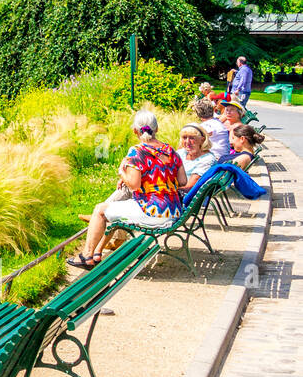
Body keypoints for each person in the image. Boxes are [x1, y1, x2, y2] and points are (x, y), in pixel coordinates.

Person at [71, 110, 185, 269]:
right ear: (157, 129)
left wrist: (121, 172)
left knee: (99, 210)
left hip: (152, 212)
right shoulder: (170, 150)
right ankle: (94, 253)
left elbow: (134, 185)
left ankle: (87, 256)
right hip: (173, 211)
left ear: (135, 131)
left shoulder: (137, 151)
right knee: (110, 209)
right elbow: (182, 181)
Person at [176, 123, 216, 196]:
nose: (187, 142)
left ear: (202, 140)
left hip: (185, 197)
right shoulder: (182, 153)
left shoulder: (207, 159)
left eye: (192, 138)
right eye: (184, 138)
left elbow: (189, 188)